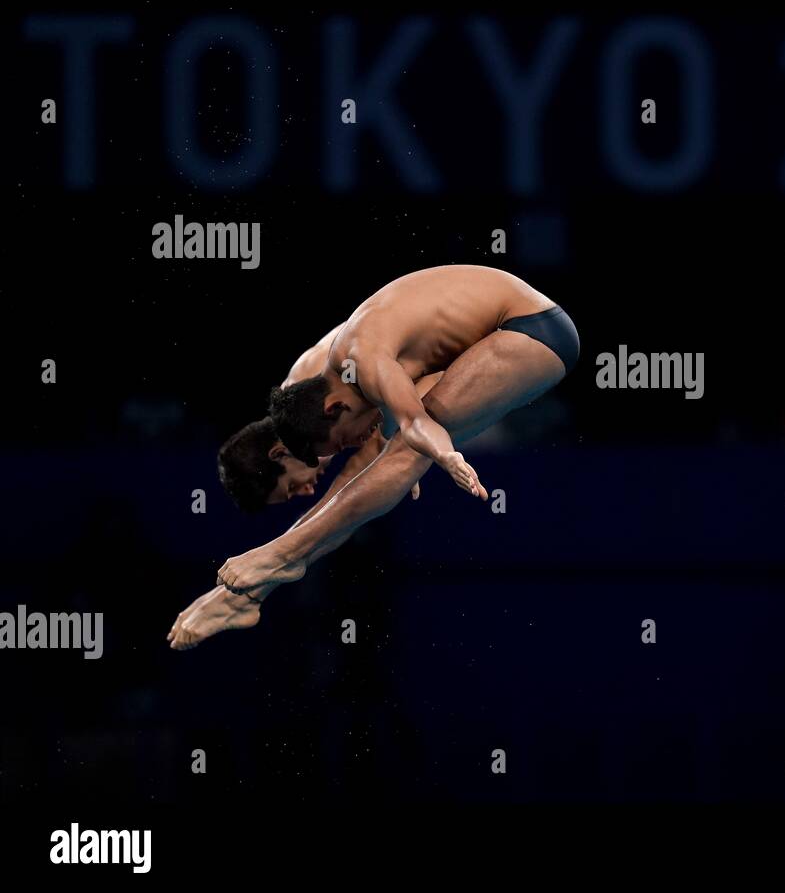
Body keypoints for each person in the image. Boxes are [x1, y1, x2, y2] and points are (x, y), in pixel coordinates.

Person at [169, 265, 578, 650]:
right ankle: (264, 578)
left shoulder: (355, 363)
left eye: (296, 484)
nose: (311, 487)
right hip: (487, 331)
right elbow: (354, 496)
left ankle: (276, 565)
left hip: (531, 328)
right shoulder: (319, 387)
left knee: (405, 448)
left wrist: (442, 451)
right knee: (389, 460)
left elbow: (409, 433)